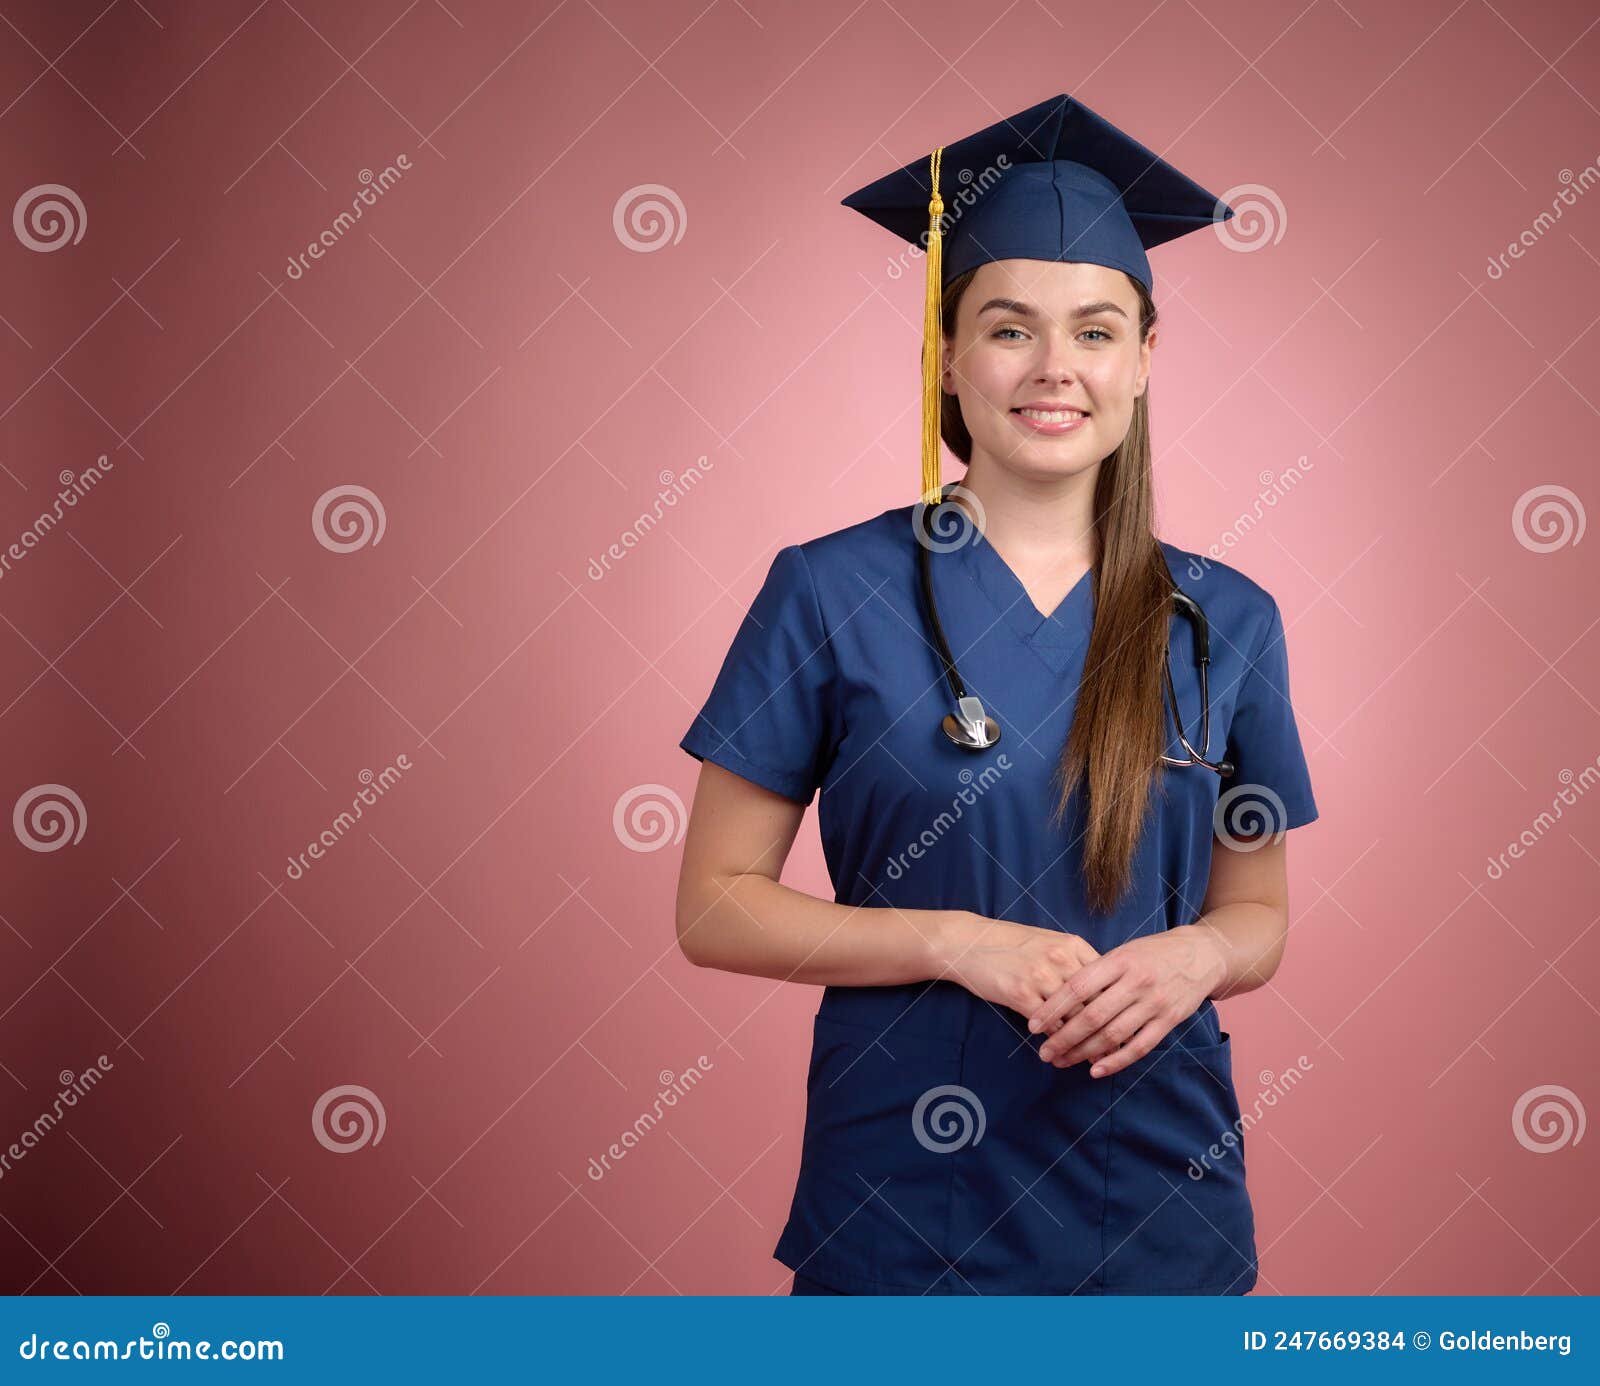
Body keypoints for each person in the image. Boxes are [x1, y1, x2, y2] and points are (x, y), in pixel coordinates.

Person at [674, 93, 1318, 1296]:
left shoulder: (1227, 618)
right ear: (947, 355)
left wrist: (1193, 962)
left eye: (1094, 331)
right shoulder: (827, 592)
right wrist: (951, 942)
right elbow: (714, 909)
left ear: (1143, 361)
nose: (1054, 368)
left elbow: (1259, 917)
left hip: (1159, 1188)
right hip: (907, 1197)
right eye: (1009, 328)